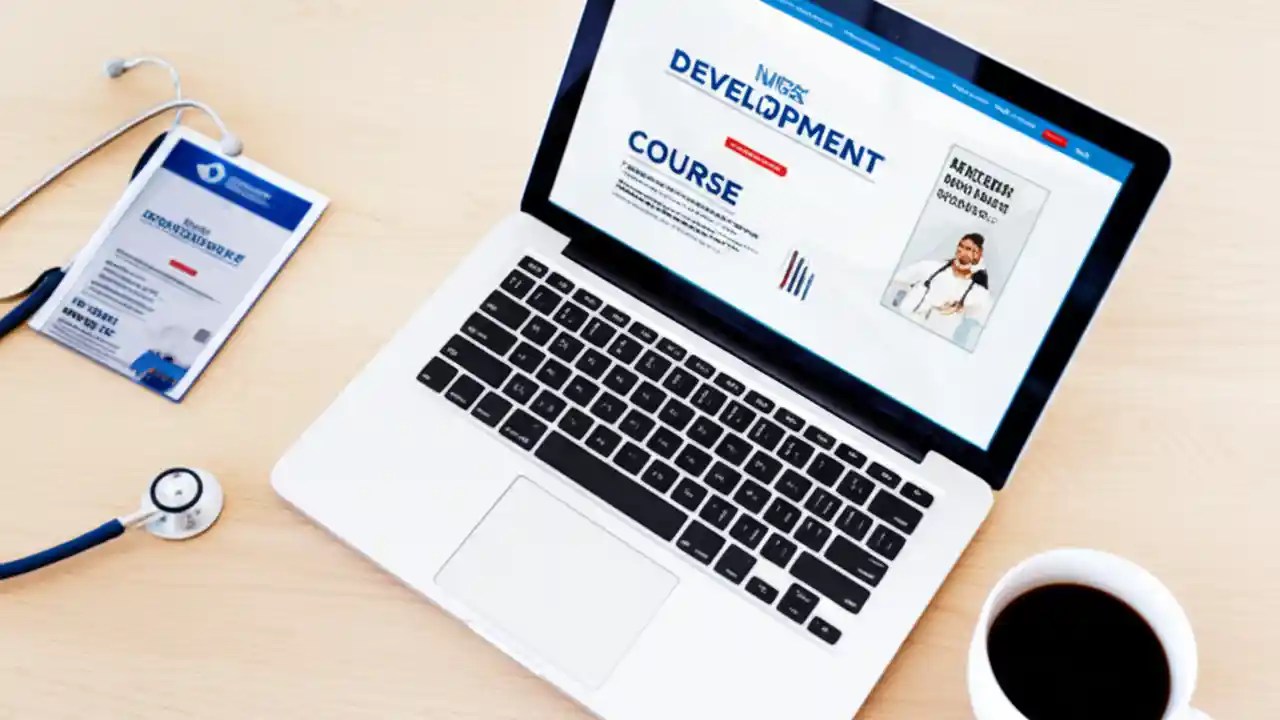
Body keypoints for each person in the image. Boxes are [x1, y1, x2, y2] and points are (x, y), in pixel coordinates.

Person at [891, 232, 992, 342]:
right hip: (902, 324)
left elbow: (982, 316)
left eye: (967, 248)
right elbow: (896, 279)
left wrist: (960, 307)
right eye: (960, 246)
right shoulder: (928, 267)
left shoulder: (977, 291)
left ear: (977, 255)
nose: (961, 250)